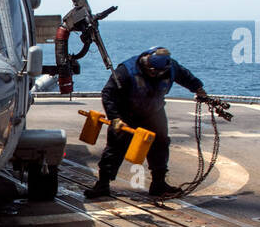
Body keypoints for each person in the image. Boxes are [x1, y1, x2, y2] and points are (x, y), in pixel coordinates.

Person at [83, 46, 209, 200]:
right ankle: (103, 184)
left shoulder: (170, 67)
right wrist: (115, 118)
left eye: (158, 72)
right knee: (116, 148)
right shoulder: (126, 71)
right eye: (152, 71)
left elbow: (186, 77)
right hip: (126, 114)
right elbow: (108, 94)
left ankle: (158, 184)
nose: (154, 74)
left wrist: (199, 89)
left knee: (160, 144)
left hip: (153, 113)